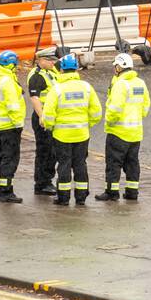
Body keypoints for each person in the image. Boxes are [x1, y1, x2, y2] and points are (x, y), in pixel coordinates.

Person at [41, 53, 102, 205]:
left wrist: (50, 127)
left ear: (61, 70)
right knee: (80, 164)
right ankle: (81, 197)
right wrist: (87, 124)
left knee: (64, 165)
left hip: (62, 136)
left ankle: (63, 197)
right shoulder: (87, 88)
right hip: (82, 134)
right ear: (76, 69)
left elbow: (48, 115)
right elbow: (97, 112)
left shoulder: (57, 90)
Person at [100, 52, 150, 201]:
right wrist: (137, 116)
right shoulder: (140, 83)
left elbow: (115, 108)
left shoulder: (120, 84)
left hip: (118, 132)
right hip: (135, 132)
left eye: (115, 65)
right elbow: (146, 106)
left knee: (113, 164)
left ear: (119, 67)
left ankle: (111, 192)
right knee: (132, 163)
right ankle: (132, 192)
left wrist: (109, 121)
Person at [0, 50, 26, 203]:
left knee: (2, 158)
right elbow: (13, 106)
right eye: (15, 64)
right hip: (10, 126)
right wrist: (18, 124)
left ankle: (1, 189)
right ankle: (6, 192)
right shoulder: (8, 82)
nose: (17, 67)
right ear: (10, 65)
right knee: (10, 159)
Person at [26, 46, 63, 195]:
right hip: (43, 118)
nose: (52, 63)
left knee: (52, 151)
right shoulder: (36, 76)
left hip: (51, 117)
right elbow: (34, 98)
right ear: (41, 60)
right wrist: (42, 116)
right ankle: (42, 183)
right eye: (49, 60)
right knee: (44, 151)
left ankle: (47, 180)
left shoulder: (49, 73)